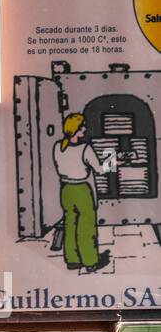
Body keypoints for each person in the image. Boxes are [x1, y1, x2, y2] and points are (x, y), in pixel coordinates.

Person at [53, 112, 113, 272]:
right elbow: (100, 170)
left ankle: (72, 260)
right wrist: (113, 160)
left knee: (70, 224)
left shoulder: (58, 147)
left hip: (65, 190)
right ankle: (90, 261)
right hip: (81, 190)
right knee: (86, 227)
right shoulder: (85, 149)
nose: (85, 128)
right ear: (76, 129)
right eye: (82, 126)